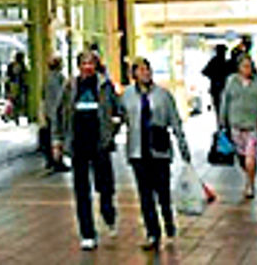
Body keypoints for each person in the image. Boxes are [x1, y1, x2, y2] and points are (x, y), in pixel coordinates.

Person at [119, 57, 190, 251]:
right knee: (145, 194)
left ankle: (168, 220)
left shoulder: (163, 95)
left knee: (163, 191)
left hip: (159, 150)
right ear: (133, 74)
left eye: (147, 69)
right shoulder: (127, 96)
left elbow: (175, 121)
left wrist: (183, 145)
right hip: (137, 151)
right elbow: (121, 117)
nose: (145, 73)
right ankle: (153, 233)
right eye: (140, 70)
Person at [54, 50, 120, 251]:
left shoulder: (104, 86)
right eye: (84, 63)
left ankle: (108, 213)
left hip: (100, 145)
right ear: (78, 66)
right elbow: (59, 114)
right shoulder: (69, 87)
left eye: (91, 63)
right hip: (78, 145)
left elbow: (117, 111)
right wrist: (57, 141)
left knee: (105, 186)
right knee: (81, 190)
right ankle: (87, 233)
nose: (87, 67)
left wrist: (111, 131)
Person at [220, 53, 257, 199]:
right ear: (239, 68)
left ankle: (250, 184)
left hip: (252, 125)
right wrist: (222, 121)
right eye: (244, 66)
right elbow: (225, 100)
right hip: (235, 125)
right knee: (241, 158)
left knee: (251, 156)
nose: (247, 69)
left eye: (250, 66)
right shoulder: (231, 81)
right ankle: (248, 173)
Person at [42, 55, 70, 172]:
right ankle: (58, 160)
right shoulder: (60, 78)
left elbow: (43, 95)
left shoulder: (47, 78)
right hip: (57, 112)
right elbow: (62, 96)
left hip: (49, 110)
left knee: (51, 136)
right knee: (58, 137)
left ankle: (51, 160)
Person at [203, 43, 231, 128]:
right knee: (223, 108)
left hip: (218, 89)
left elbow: (205, 72)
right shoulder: (224, 63)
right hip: (222, 88)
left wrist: (213, 77)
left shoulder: (215, 61)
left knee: (219, 108)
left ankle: (221, 125)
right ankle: (223, 125)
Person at [6, 52, 28, 124]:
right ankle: (14, 115)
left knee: (14, 101)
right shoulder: (23, 66)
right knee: (17, 101)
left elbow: (8, 76)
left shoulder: (12, 65)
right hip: (18, 85)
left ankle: (14, 115)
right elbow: (24, 76)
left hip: (13, 85)